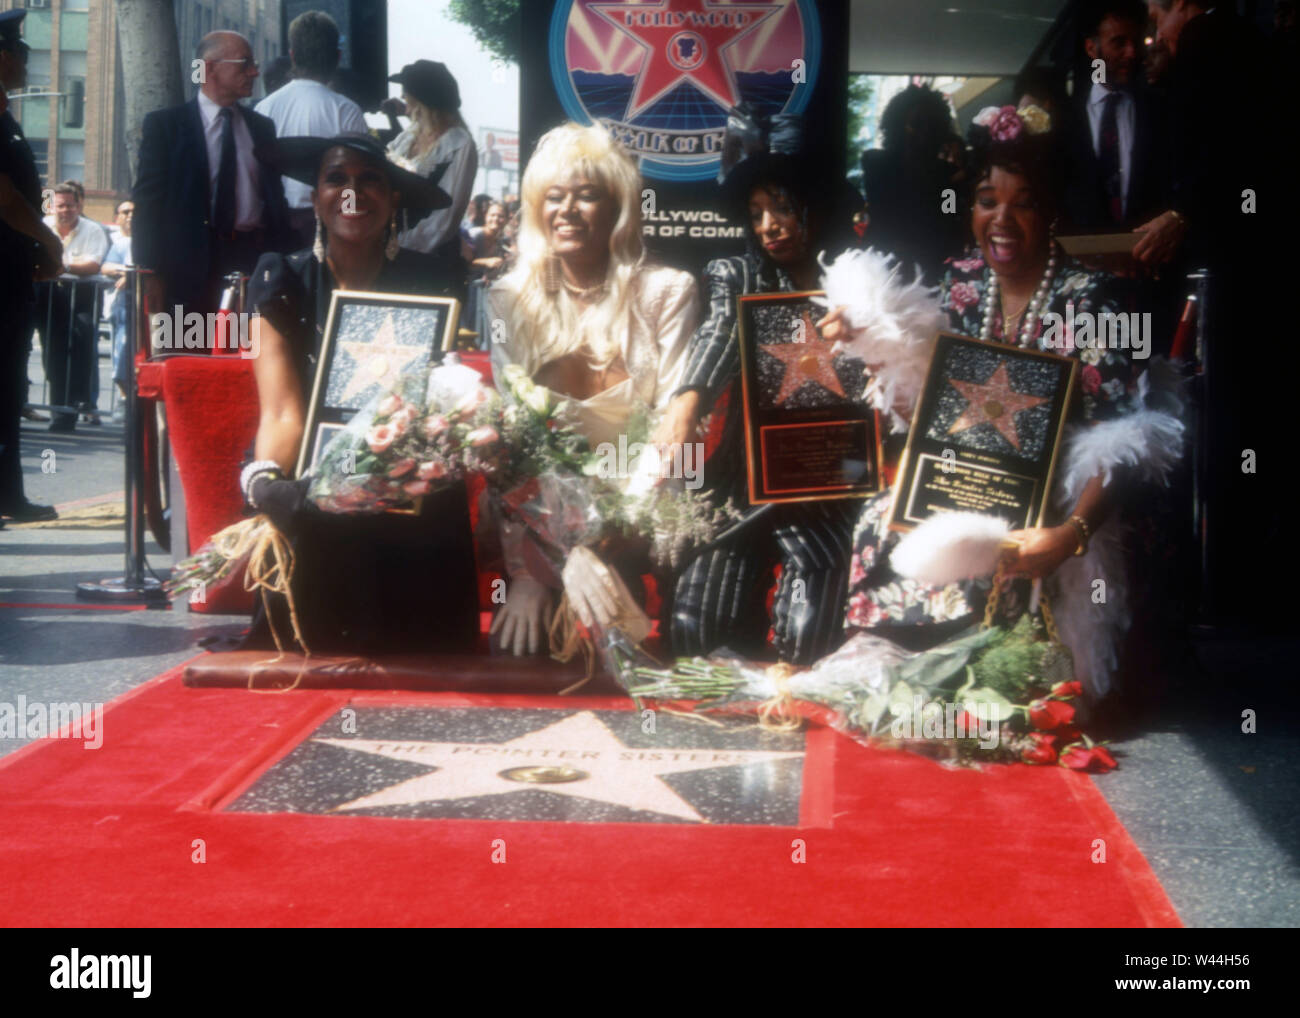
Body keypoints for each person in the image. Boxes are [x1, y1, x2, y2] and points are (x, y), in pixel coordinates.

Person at [830, 105, 1184, 699]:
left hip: (1060, 500)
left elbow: (1118, 440)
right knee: (882, 515)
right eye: (987, 200)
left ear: (1051, 212)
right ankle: (901, 668)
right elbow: (922, 404)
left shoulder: (1094, 302)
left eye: (1022, 201)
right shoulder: (957, 285)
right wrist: (866, 336)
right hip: (969, 483)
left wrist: (1070, 534)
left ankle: (976, 681)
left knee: (1011, 551)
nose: (1002, 218)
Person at [238, 134, 479, 654]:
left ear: (395, 201)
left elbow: (443, 403)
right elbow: (281, 412)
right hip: (312, 487)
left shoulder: (434, 280)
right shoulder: (281, 277)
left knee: (425, 641)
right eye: (337, 179)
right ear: (314, 198)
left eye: (371, 180)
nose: (353, 192)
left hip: (409, 488)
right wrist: (269, 493)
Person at [657, 111, 864, 667]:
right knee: (695, 634)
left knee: (808, 642)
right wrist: (687, 401)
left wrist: (869, 333)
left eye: (781, 208)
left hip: (829, 485)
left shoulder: (862, 284)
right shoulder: (737, 274)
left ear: (815, 207)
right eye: (756, 214)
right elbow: (719, 330)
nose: (769, 225)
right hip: (741, 482)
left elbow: (907, 367)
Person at [486, 123, 699, 656]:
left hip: (640, 517)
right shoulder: (509, 298)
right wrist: (534, 569)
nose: (568, 210)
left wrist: (604, 544)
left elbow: (671, 433)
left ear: (618, 207)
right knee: (520, 659)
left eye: (587, 196)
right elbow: (512, 446)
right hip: (538, 524)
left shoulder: (667, 291)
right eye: (554, 198)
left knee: (628, 657)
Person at [132, 30, 291, 319]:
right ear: (209, 68)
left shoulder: (262, 128)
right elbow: (147, 205)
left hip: (251, 265)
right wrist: (148, 272)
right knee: (186, 357)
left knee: (245, 359)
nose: (254, 72)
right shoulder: (166, 127)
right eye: (244, 64)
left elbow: (276, 203)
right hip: (185, 273)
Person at [0, 9, 59, 523]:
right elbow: (5, 199)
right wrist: (51, 242)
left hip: (12, 271)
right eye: (20, 52)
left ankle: (8, 493)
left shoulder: (6, 115)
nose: (26, 61)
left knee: (9, 387)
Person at [255, 11, 368, 251]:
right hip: (327, 225)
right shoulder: (346, 110)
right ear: (337, 58)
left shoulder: (264, 107)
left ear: (293, 55)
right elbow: (354, 182)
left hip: (273, 223)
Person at [858, 85, 966, 285]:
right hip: (883, 267)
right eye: (916, 124)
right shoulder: (876, 163)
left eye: (931, 126)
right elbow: (886, 214)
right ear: (897, 125)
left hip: (931, 268)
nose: (923, 134)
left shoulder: (946, 176)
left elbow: (948, 217)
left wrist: (950, 186)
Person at [385, 61, 476, 259]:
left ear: (422, 98)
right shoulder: (406, 138)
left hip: (427, 257)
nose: (402, 96)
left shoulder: (459, 144)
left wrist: (405, 247)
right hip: (389, 249)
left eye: (406, 90)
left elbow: (447, 215)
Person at [39, 182, 108, 432]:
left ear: (79, 205)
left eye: (70, 205)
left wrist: (62, 267)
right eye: (60, 205)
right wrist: (70, 265)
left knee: (82, 343)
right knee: (53, 353)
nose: (65, 210)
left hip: (84, 297)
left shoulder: (94, 230)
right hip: (51, 297)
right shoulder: (44, 227)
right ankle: (60, 412)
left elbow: (92, 265)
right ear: (52, 206)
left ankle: (79, 400)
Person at [101, 199, 134, 419]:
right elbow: (105, 266)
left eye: (135, 211)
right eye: (126, 212)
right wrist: (126, 273)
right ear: (118, 217)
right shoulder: (120, 243)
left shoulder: (155, 240)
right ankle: (124, 400)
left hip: (153, 306)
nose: (131, 215)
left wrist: (132, 276)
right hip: (124, 307)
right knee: (121, 351)